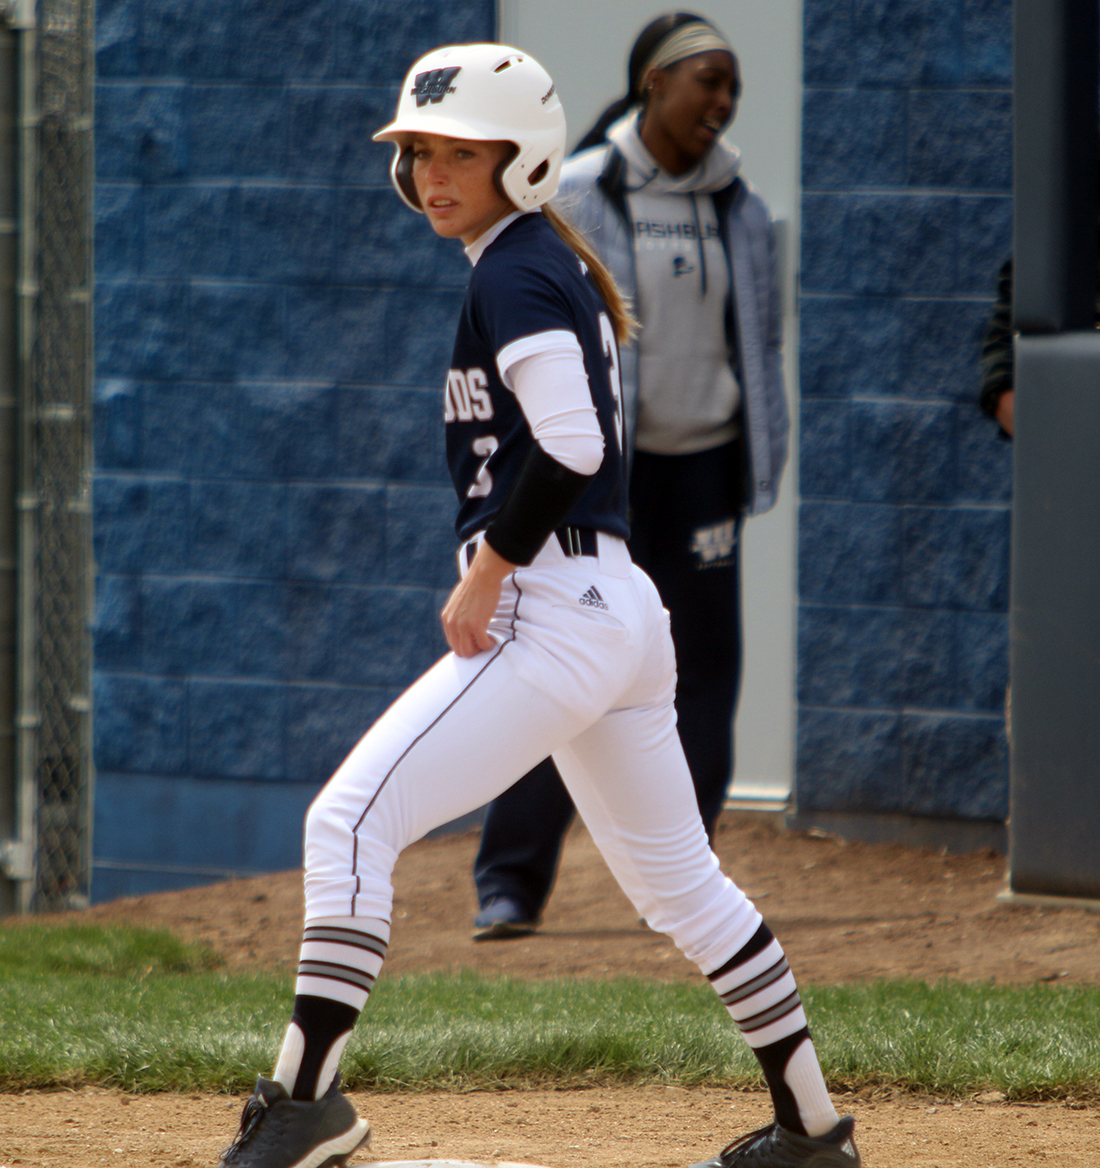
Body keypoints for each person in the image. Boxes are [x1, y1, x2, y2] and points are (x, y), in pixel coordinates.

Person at [212, 42, 859, 1168]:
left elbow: (573, 442)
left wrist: (487, 567)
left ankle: (304, 1100)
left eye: (463, 151)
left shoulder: (511, 269)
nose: (433, 172)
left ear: (524, 162)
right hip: (614, 608)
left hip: (554, 602)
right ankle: (810, 1130)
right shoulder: (533, 261)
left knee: (346, 823)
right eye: (418, 151)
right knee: (680, 885)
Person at [471, 11, 788, 942]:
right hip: (605, 484)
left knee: (707, 679)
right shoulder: (577, 193)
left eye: (734, 88)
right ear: (654, 83)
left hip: (707, 471)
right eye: (708, 83)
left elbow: (762, 342)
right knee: (557, 672)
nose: (723, 104)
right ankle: (512, 884)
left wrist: (759, 454)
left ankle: (689, 884)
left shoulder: (748, 208)